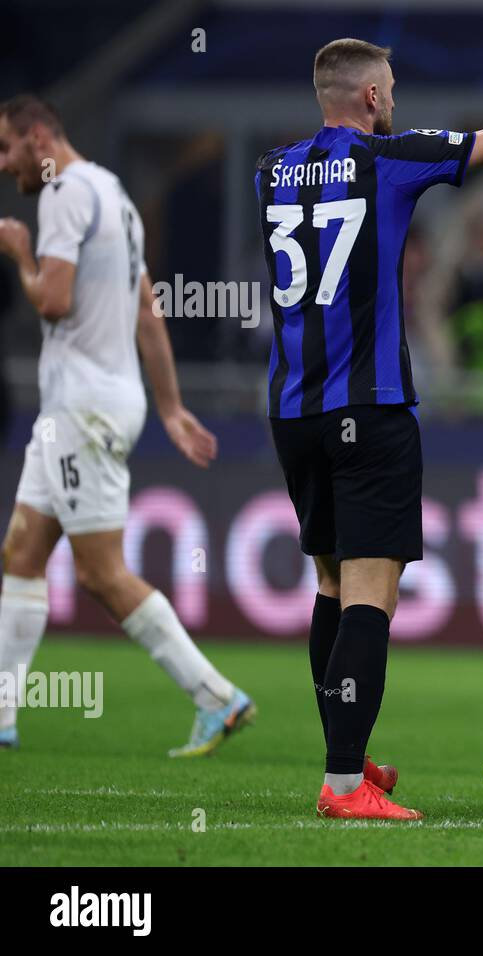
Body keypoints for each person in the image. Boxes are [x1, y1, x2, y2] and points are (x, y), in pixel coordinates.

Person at [253, 38, 483, 819]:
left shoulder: (273, 168)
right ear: (370, 99)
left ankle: (347, 746)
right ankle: (343, 785)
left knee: (331, 582)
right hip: (369, 409)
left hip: (292, 410)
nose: (395, 100)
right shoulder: (389, 157)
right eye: (391, 89)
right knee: (372, 589)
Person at [0, 94, 252, 757]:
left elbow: (51, 300)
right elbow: (148, 312)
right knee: (22, 554)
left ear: (36, 138)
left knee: (101, 573)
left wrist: (20, 257)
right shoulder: (113, 194)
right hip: (89, 403)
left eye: (5, 149)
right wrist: (168, 406)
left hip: (82, 407)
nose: (3, 165)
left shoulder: (60, 195)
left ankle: (215, 695)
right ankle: (1, 712)